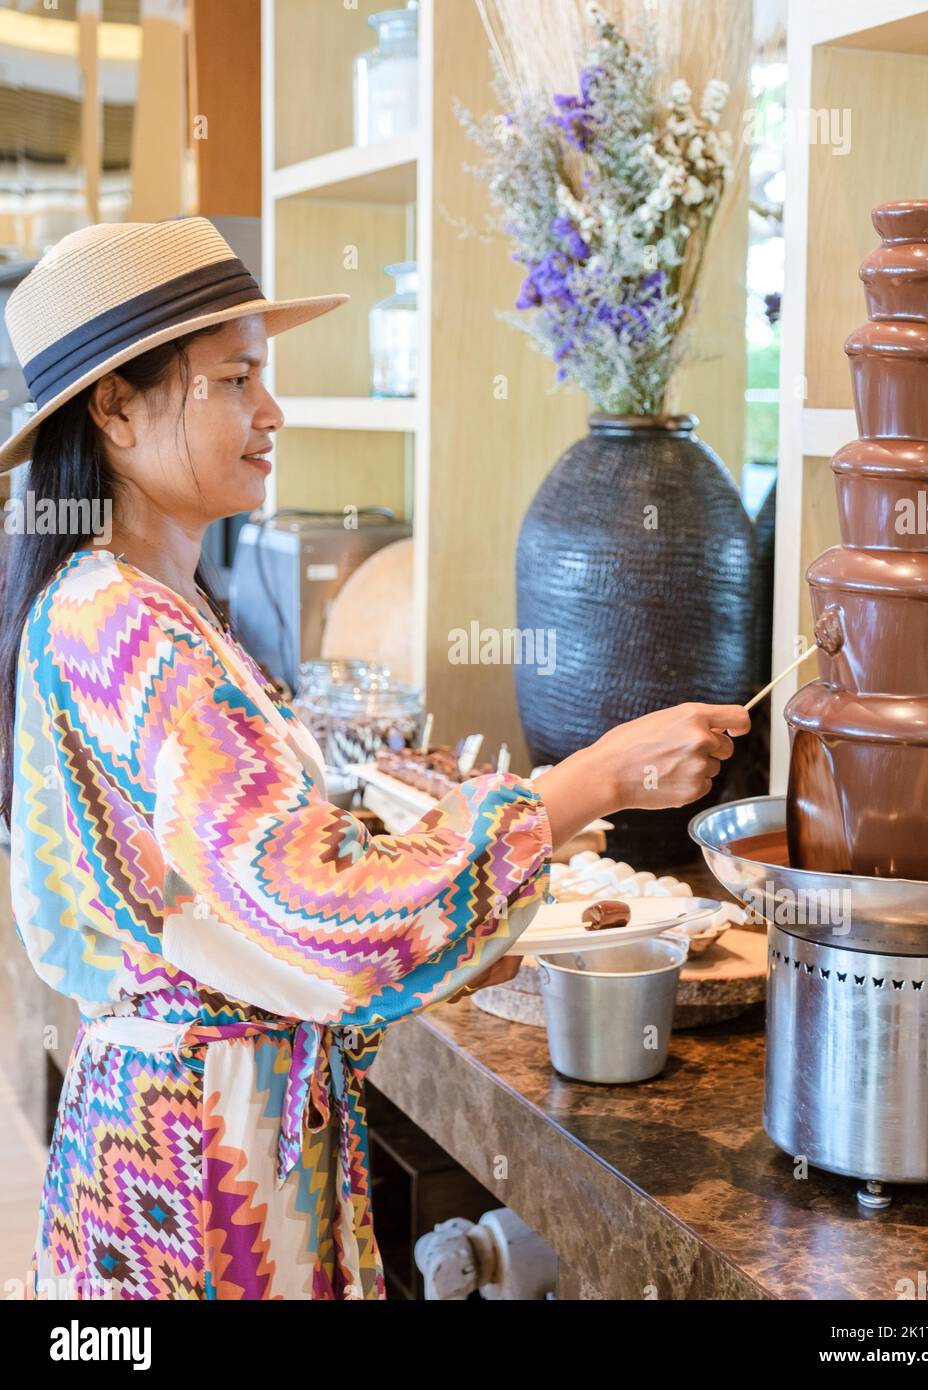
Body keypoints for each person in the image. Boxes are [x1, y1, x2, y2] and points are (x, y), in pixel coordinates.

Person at [0, 216, 750, 1300]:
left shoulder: (121, 605)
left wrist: (459, 928)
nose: (272, 411)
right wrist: (590, 781)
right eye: (235, 379)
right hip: (210, 1173)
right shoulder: (127, 629)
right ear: (114, 407)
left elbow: (246, 906)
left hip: (183, 1134)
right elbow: (328, 914)